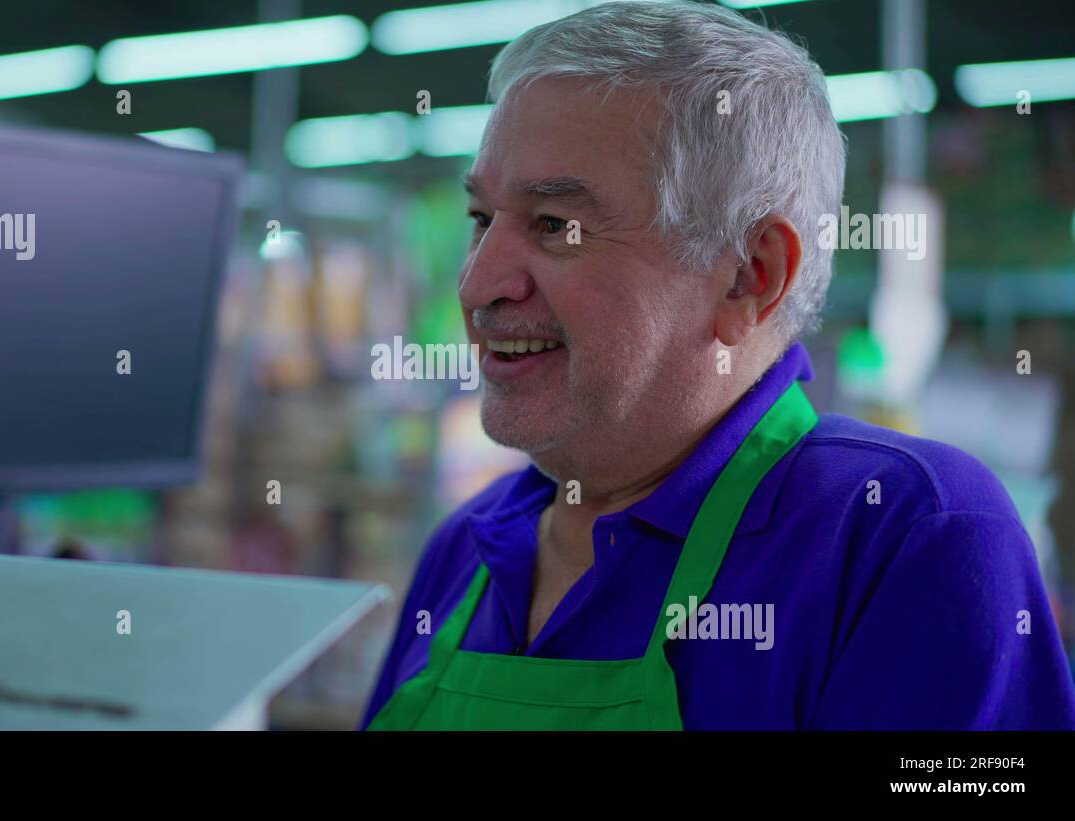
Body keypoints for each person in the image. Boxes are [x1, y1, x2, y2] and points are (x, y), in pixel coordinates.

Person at [362, 0, 1075, 730]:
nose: (478, 284)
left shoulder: (904, 538)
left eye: (554, 227)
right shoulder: (468, 550)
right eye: (481, 220)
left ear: (749, 275)